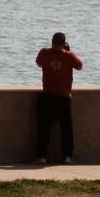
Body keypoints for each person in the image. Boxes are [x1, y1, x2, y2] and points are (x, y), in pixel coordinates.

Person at [35, 32, 83, 164]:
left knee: (44, 127)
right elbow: (79, 66)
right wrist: (67, 51)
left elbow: (38, 63)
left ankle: (41, 156)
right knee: (66, 128)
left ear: (52, 41)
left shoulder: (44, 53)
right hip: (63, 97)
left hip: (47, 95)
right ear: (64, 43)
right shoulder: (69, 55)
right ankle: (68, 156)